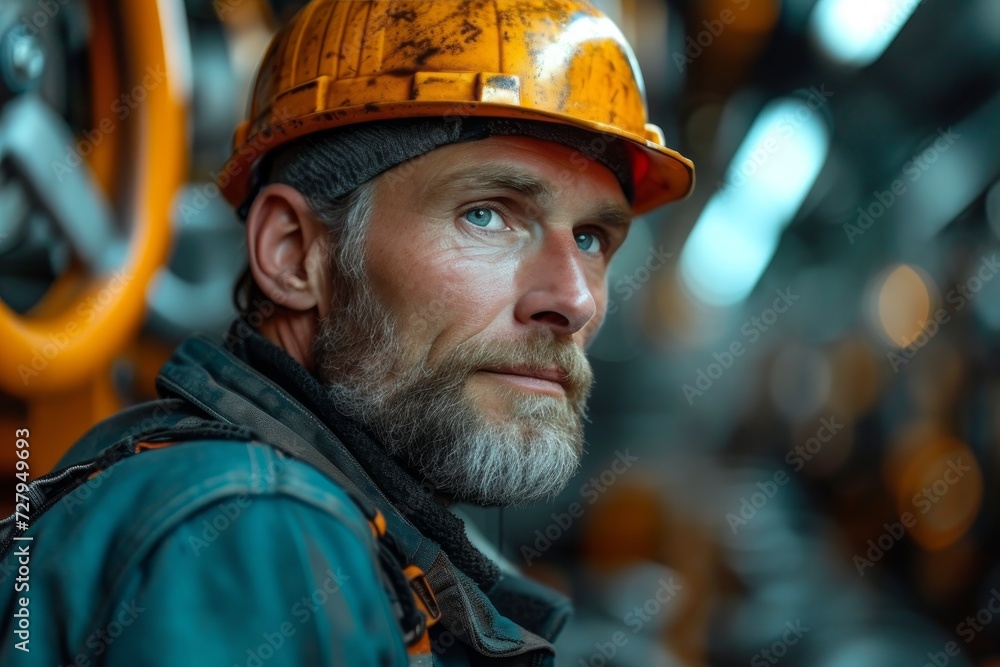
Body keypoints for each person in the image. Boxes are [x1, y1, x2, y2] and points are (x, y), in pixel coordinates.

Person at [0, 1, 693, 665]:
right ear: (294, 252)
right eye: (487, 214)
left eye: (593, 238)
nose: (573, 298)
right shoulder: (254, 527)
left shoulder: (316, 527)